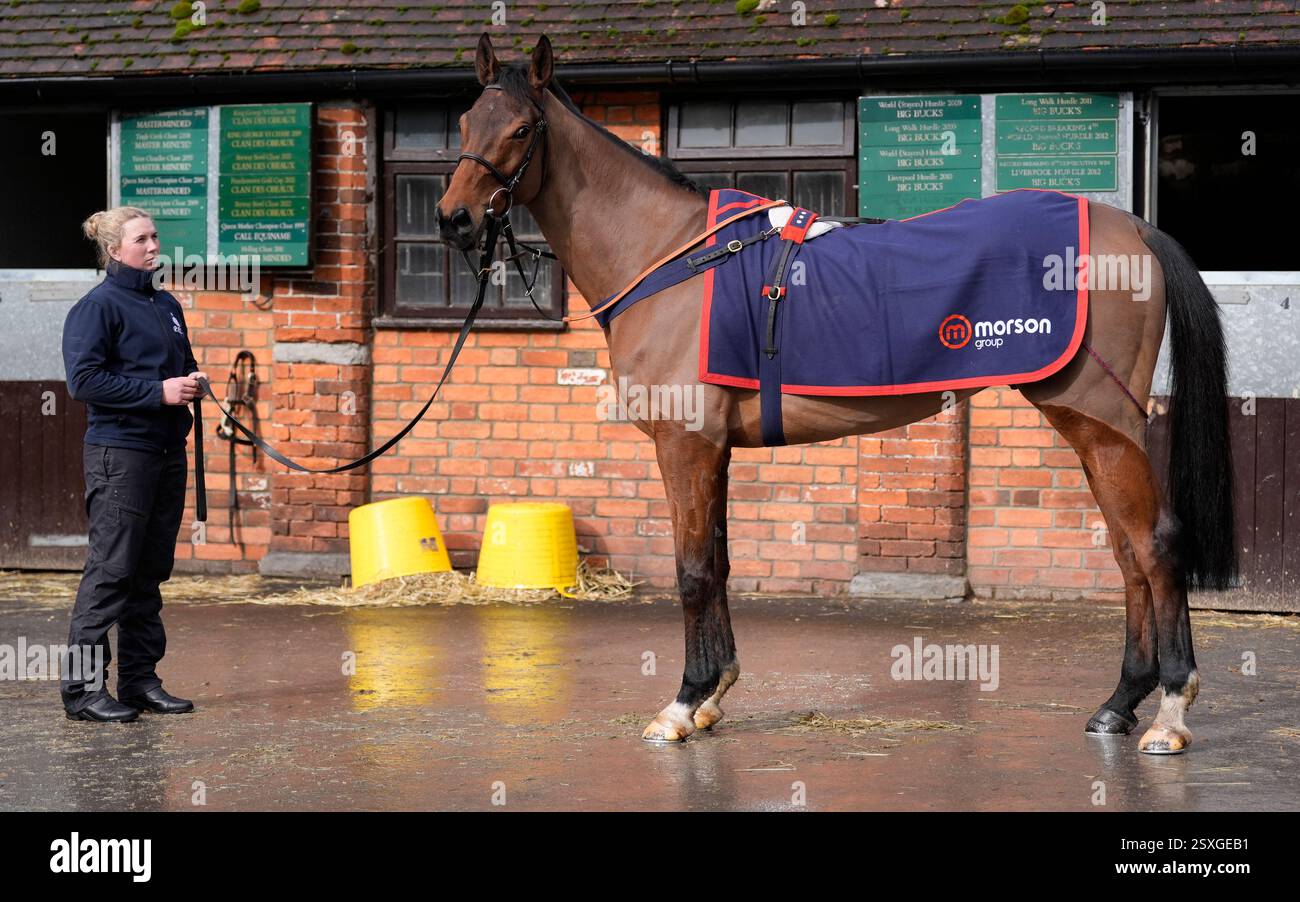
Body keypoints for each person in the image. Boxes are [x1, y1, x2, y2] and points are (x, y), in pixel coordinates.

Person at [59, 206, 208, 723]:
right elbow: (84, 382)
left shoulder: (165, 303)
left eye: (155, 237)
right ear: (113, 250)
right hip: (120, 455)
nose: (152, 246)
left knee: (149, 573)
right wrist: (159, 392)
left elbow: (175, 369)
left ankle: (140, 681)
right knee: (110, 573)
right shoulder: (96, 307)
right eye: (141, 239)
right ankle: (82, 692)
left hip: (166, 452)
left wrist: (191, 380)